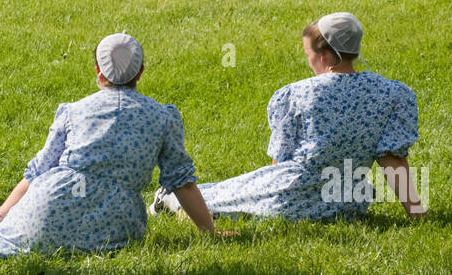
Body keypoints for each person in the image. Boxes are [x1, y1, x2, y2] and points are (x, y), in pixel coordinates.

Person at [0, 33, 219, 272]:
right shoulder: (162, 117)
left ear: (98, 73)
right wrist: (209, 233)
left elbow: (37, 172)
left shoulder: (74, 111)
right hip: (118, 224)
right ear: (141, 72)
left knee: (11, 242)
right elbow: (182, 182)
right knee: (45, 250)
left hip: (55, 202)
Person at [150, 13, 425, 223]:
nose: (309, 63)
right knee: (228, 190)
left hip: (293, 198)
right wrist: (416, 213)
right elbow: (392, 159)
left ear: (326, 56)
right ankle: (177, 199)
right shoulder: (393, 93)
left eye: (309, 55)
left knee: (227, 196)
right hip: (348, 202)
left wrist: (263, 187)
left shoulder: (297, 94)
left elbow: (279, 162)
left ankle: (172, 199)